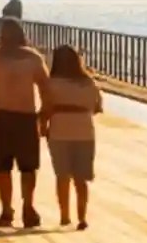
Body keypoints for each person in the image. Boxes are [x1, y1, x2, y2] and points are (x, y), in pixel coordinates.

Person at [0, 18, 50, 228]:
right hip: (26, 118)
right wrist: (44, 116)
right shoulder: (33, 58)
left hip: (2, 118)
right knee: (28, 168)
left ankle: (7, 209)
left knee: (3, 167)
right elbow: (45, 89)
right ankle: (27, 207)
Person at [40, 45, 102, 230]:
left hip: (59, 130)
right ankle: (82, 217)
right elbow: (97, 108)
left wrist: (42, 127)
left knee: (62, 175)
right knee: (81, 177)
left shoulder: (52, 84)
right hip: (84, 130)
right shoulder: (89, 83)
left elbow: (46, 109)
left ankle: (65, 216)